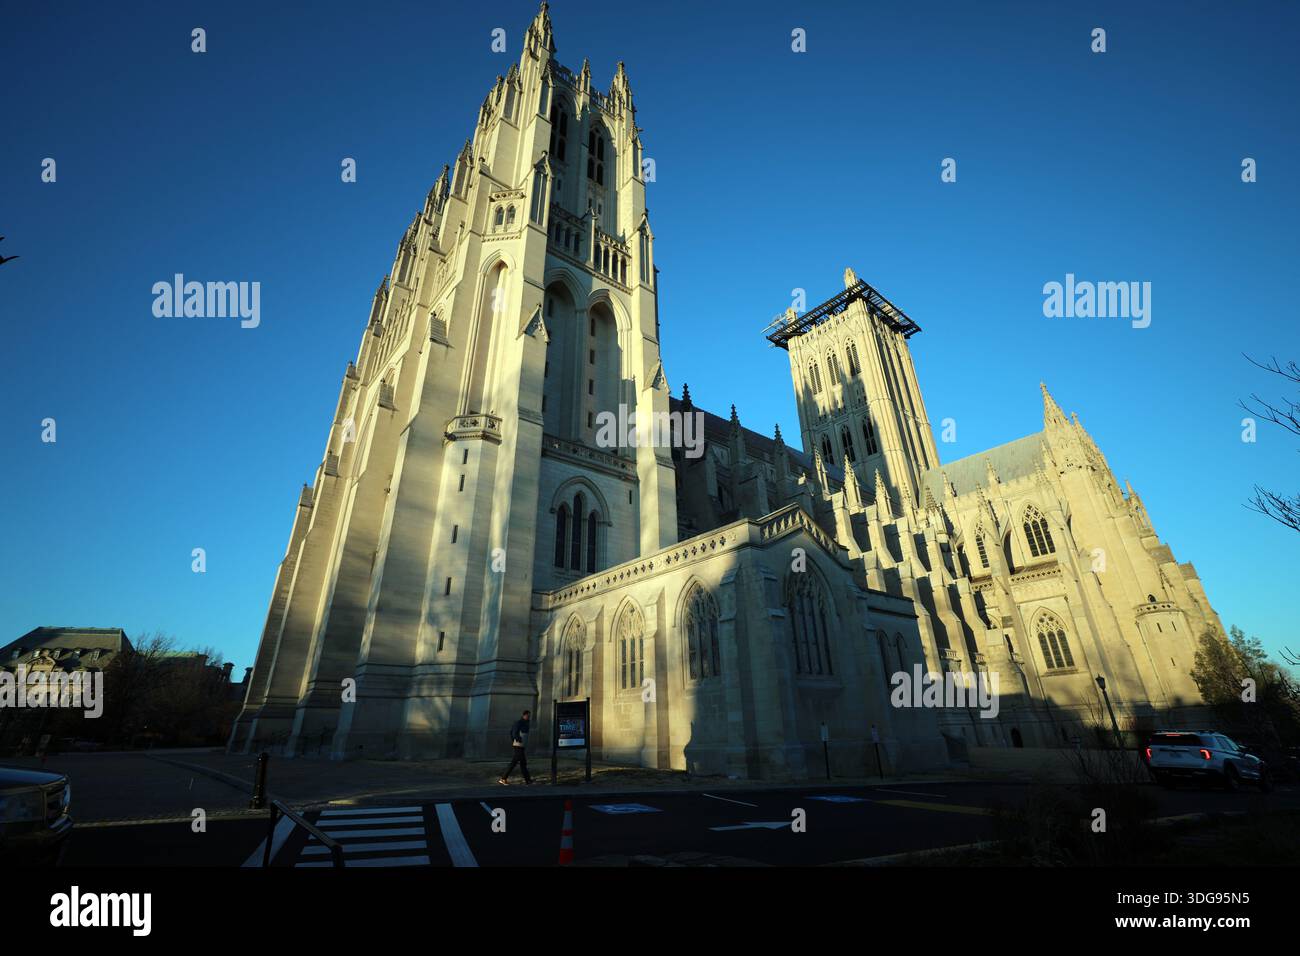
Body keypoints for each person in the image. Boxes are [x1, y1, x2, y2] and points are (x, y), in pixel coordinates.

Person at [499, 709, 533, 785]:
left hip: (521, 745)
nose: (529, 717)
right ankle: (503, 778)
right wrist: (517, 739)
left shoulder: (525, 723)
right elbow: (513, 732)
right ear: (524, 715)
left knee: (521, 763)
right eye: (528, 715)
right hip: (518, 745)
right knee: (517, 763)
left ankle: (528, 780)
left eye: (529, 716)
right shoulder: (519, 722)